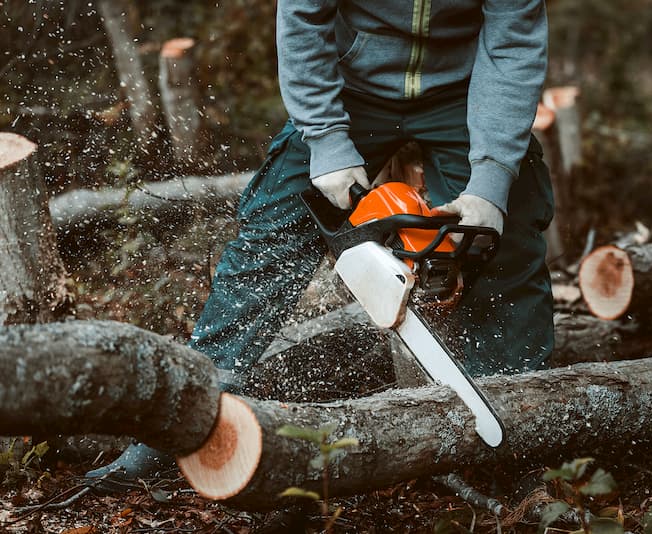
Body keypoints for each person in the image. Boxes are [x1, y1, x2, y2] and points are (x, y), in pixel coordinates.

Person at [87, 0, 554, 490]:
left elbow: (513, 41)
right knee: (270, 233)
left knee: (504, 242)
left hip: (468, 90)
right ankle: (184, 412)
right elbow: (303, 17)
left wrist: (491, 180)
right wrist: (328, 139)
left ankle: (516, 428)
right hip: (351, 87)